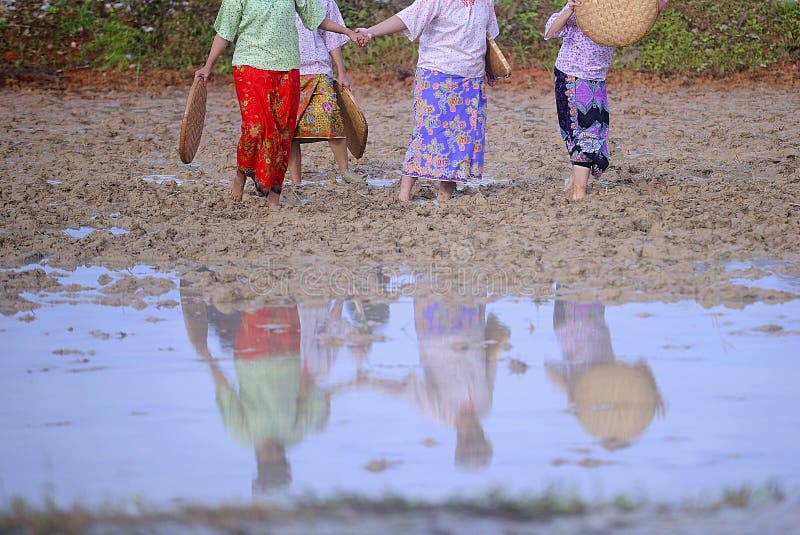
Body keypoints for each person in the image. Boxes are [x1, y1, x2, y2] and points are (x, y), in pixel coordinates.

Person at [193, 0, 367, 208]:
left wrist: (347, 32)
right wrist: (208, 66)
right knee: (255, 128)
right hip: (250, 66)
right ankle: (242, 173)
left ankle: (273, 193)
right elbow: (224, 32)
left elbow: (317, 19)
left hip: (288, 69)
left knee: (283, 132)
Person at [358, 0, 501, 202]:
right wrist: (370, 32)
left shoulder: (486, 1)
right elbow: (408, 16)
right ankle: (404, 195)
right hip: (437, 74)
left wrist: (490, 68)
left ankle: (445, 195)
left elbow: (487, 37)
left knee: (461, 139)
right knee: (426, 132)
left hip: (471, 78)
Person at [544, 0, 669, 200]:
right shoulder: (580, 6)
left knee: (596, 129)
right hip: (572, 74)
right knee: (583, 132)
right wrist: (569, 8)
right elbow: (550, 31)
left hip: (597, 78)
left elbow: (648, 10)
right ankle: (579, 191)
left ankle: (574, 181)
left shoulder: (613, 9)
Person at [546, 300, 664, 450]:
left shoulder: (586, 398)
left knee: (579, 285)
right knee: (575, 286)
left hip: (584, 321)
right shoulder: (584, 402)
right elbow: (561, 382)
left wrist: (652, 393)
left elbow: (640, 368)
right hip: (569, 324)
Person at [288, 0, 364, 186]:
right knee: (290, 128)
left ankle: (345, 170)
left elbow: (331, 37)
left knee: (332, 117)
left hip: (318, 66)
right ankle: (296, 181)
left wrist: (342, 71)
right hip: (287, 68)